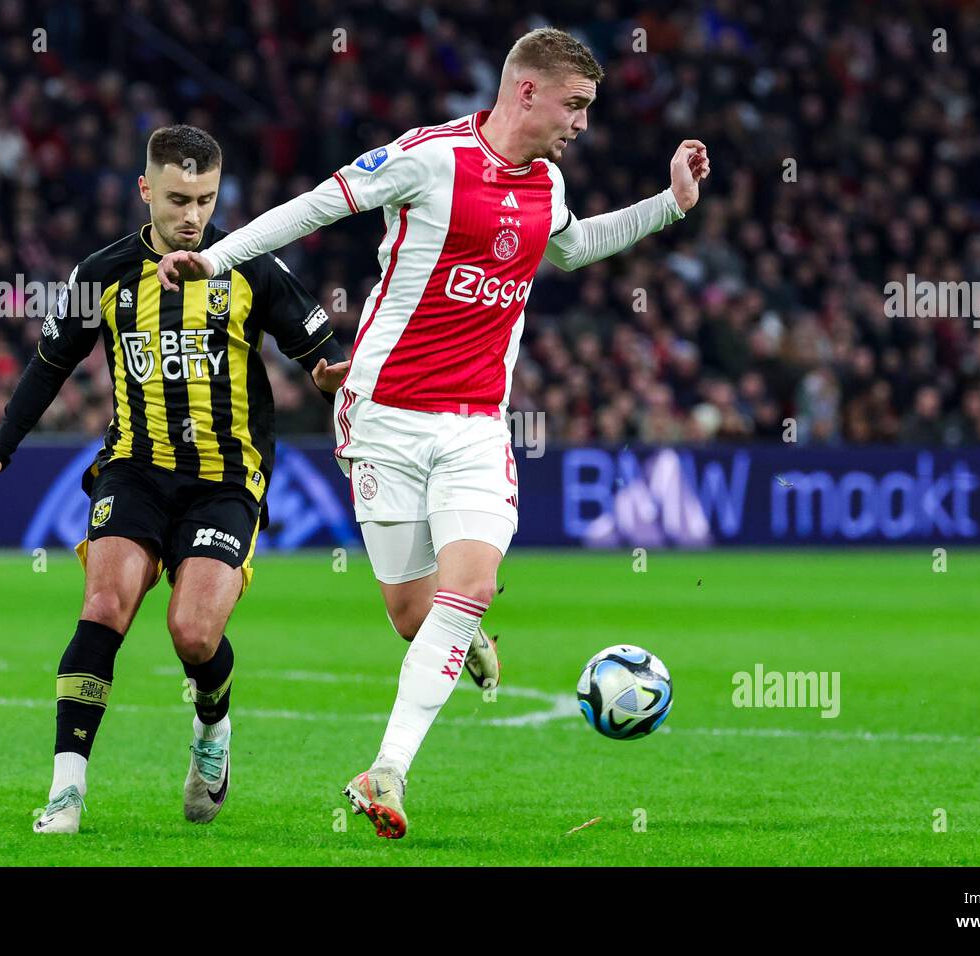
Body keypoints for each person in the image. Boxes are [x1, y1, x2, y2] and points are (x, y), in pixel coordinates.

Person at [157, 29, 708, 839]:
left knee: (470, 584)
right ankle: (462, 634)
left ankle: (386, 771)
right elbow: (315, 206)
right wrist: (217, 258)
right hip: (382, 416)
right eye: (576, 104)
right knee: (416, 614)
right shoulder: (429, 158)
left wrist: (671, 206)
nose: (583, 123)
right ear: (526, 91)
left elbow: (577, 247)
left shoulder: (546, 184)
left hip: (477, 424)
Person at [0, 125, 348, 834]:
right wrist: (0, 450)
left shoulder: (251, 268)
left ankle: (213, 731)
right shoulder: (104, 273)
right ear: (146, 190)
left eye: (206, 199)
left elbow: (318, 351)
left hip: (224, 481)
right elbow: (51, 362)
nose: (192, 215)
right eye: (178, 198)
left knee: (191, 632)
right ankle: (66, 792)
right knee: (103, 609)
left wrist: (330, 377)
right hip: (134, 469)